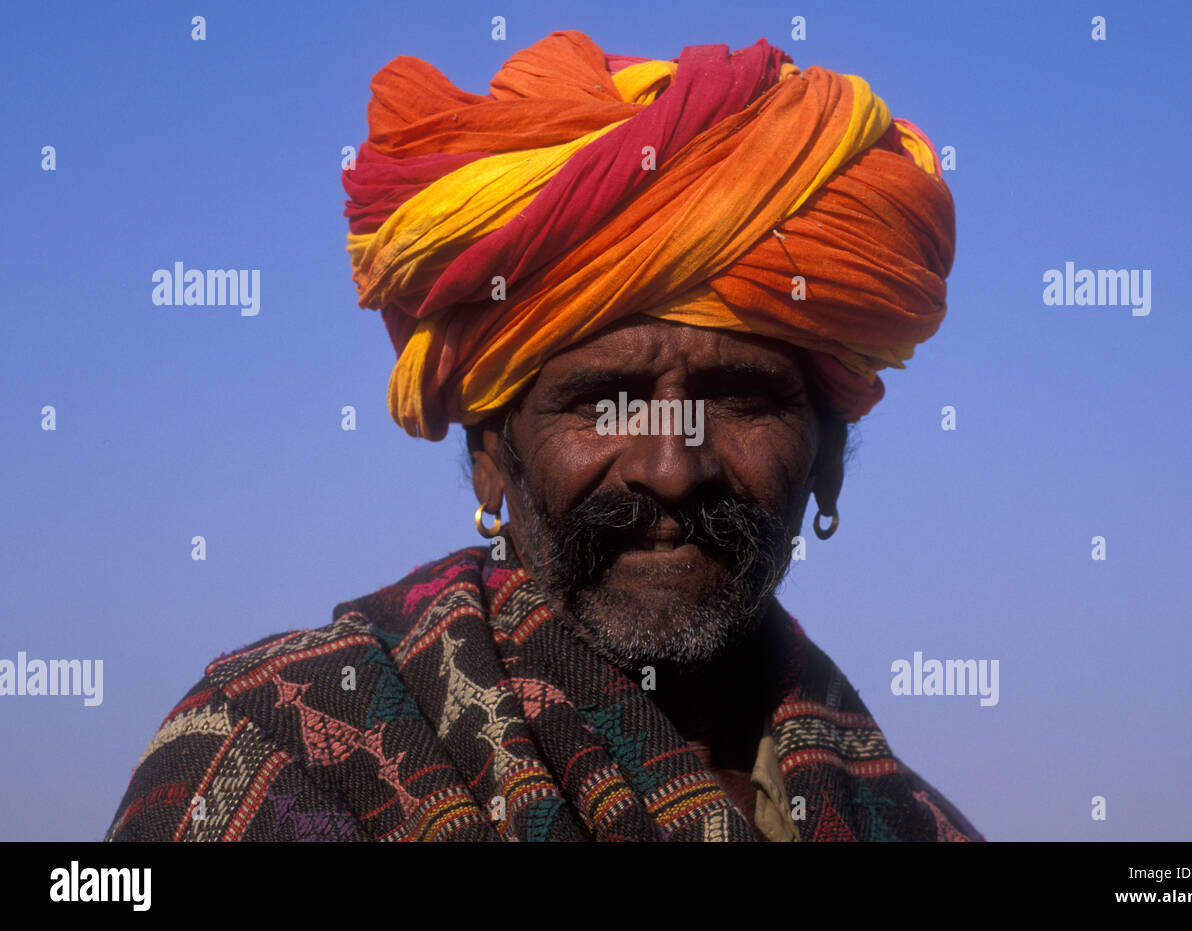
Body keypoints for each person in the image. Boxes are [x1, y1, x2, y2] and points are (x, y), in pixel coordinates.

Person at [106, 30, 982, 842]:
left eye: (738, 400)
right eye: (603, 402)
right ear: (491, 456)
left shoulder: (911, 822)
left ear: (826, 458)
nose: (672, 468)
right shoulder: (281, 750)